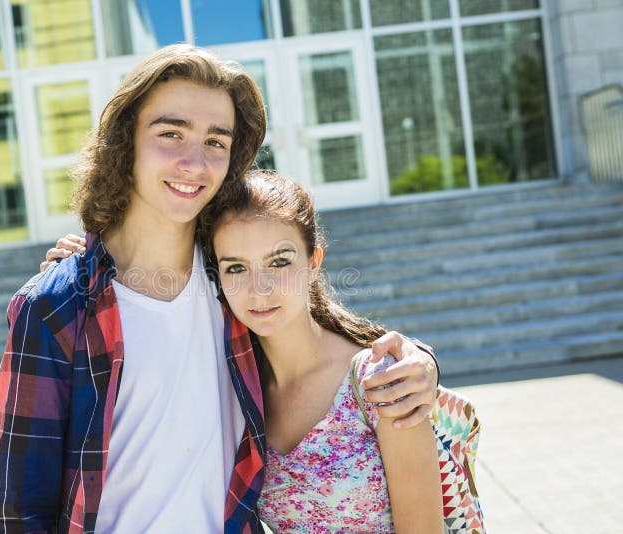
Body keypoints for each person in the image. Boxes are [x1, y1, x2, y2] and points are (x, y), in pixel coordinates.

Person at [0, 44, 440, 534]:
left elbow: (321, 338)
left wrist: (419, 361)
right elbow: (13, 512)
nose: (194, 163)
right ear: (125, 141)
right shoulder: (57, 307)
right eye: (170, 133)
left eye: (216, 141)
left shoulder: (232, 282)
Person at [47, 170, 446, 532]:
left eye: (279, 262)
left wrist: (425, 360)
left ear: (313, 261)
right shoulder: (235, 386)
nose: (260, 289)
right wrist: (79, 269)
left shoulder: (381, 379)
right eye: (236, 267)